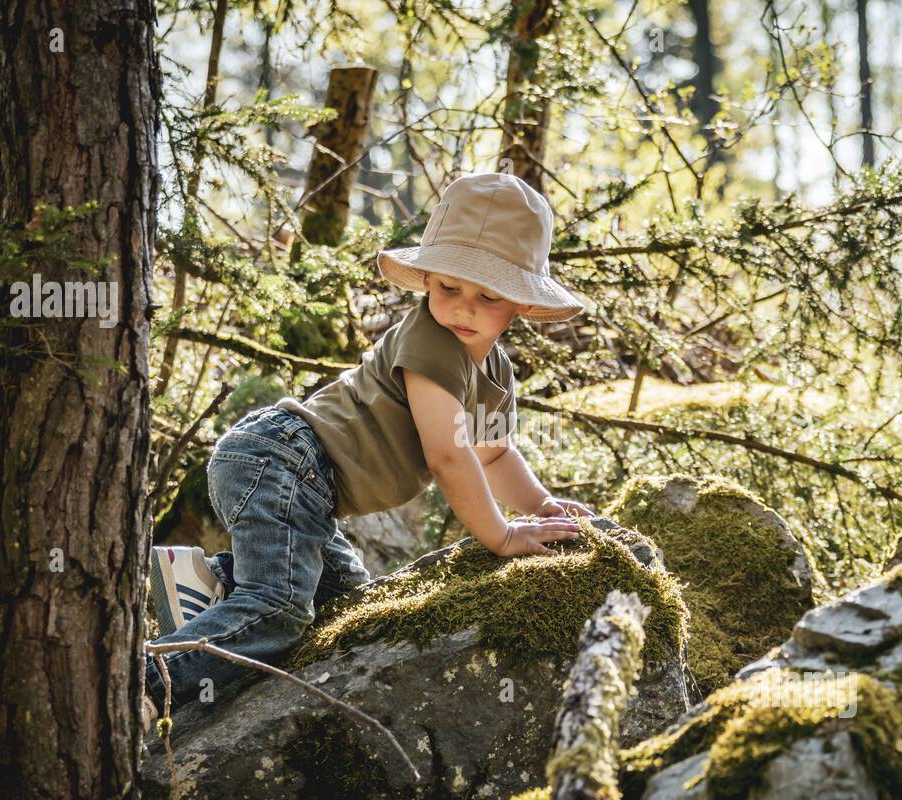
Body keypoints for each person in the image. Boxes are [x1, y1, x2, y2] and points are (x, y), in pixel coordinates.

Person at [143, 171, 595, 717]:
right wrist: (499, 536)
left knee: (348, 608)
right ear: (427, 278)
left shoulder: (493, 371)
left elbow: (493, 454)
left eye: (488, 296)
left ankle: (208, 584)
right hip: (282, 460)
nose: (462, 308)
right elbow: (449, 455)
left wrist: (543, 507)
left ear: (521, 304)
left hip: (306, 487)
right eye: (449, 287)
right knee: (282, 606)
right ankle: (143, 682)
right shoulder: (432, 341)